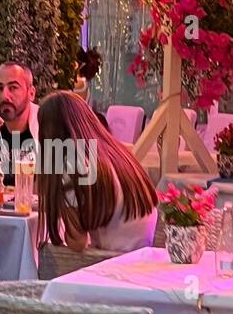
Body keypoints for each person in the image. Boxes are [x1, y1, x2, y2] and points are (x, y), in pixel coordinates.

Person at [36, 91, 157, 252]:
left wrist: (60, 201)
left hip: (113, 263)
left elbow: (77, 242)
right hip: (141, 257)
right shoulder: (117, 152)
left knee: (44, 256)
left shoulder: (74, 164)